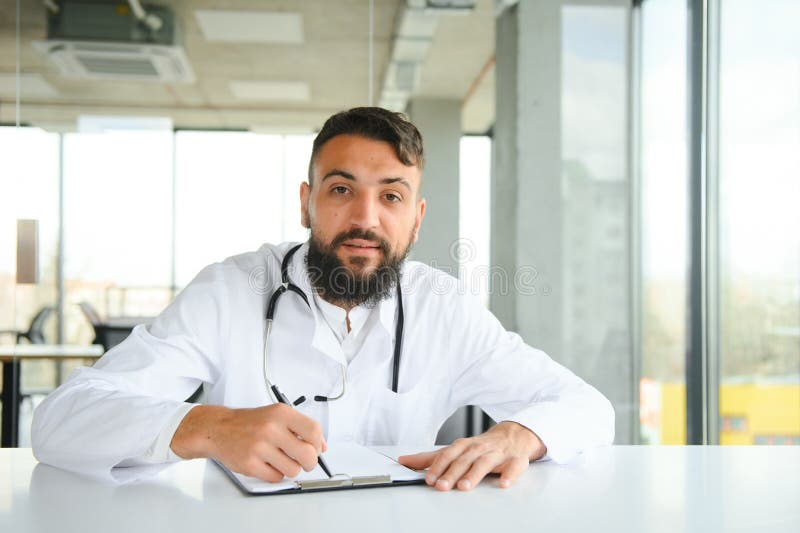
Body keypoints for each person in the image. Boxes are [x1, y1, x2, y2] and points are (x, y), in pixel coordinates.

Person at [32, 107, 614, 490]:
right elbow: (59, 421)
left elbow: (588, 408)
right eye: (341, 189)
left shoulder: (444, 308)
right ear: (306, 203)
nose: (365, 218)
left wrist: (517, 434)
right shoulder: (230, 290)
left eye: (391, 196)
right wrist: (205, 426)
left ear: (416, 219)